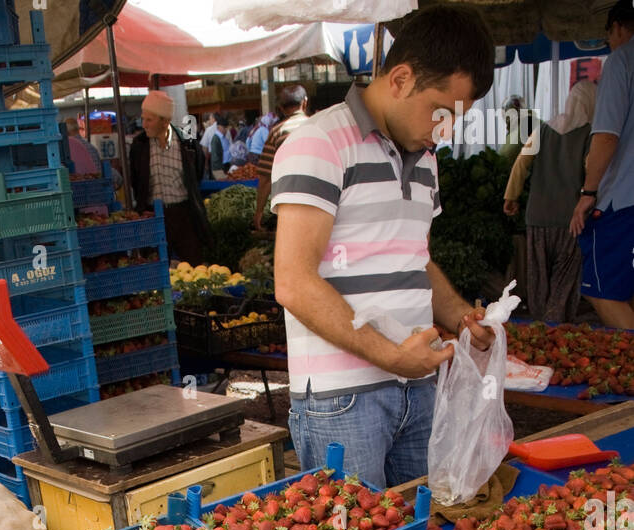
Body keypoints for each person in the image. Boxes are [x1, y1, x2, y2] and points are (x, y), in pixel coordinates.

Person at [272, 4, 495, 486]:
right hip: (342, 401)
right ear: (399, 78)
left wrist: (461, 317)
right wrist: (391, 355)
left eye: (456, 118)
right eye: (440, 111)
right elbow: (293, 283)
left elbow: (416, 259)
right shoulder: (318, 144)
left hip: (419, 387)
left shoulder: (427, 158)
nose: (445, 129)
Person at [503, 81, 597, 322]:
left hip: (538, 217)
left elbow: (521, 163)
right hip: (571, 221)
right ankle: (555, 327)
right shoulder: (589, 134)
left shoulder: (543, 129)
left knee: (538, 278)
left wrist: (511, 196)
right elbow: (591, 168)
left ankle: (538, 327)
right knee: (564, 280)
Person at [569, 0, 634, 328]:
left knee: (603, 289)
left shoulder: (622, 60)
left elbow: (606, 136)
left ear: (619, 28)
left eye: (609, 36)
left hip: (624, 199)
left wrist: (587, 192)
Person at [129, 90, 211, 265]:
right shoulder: (139, 146)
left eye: (149, 120)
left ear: (165, 121)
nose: (144, 124)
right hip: (153, 214)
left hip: (183, 214)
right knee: (155, 265)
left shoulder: (187, 144)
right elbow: (136, 181)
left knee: (194, 265)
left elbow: (196, 175)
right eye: (143, 119)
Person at [254, 84, 309, 231]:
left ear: (282, 108)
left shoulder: (277, 132)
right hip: (320, 201)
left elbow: (265, 177)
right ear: (305, 102)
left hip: (288, 204)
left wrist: (259, 212)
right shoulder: (319, 127)